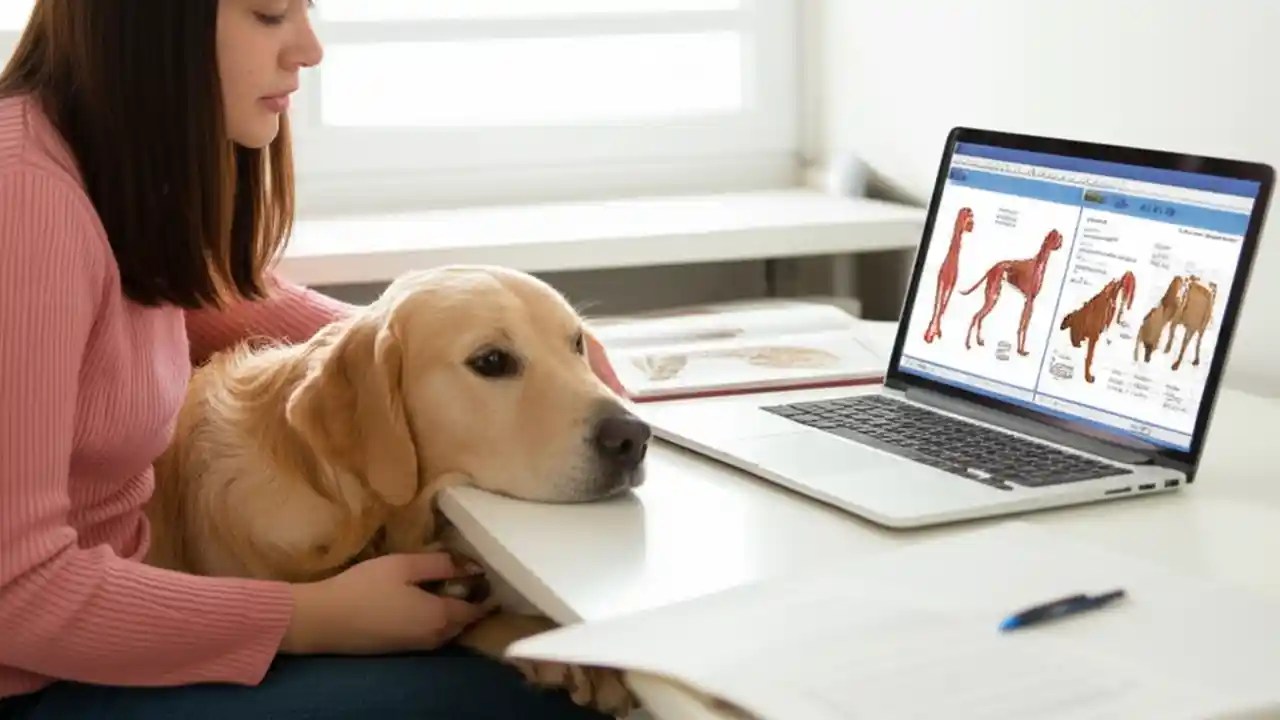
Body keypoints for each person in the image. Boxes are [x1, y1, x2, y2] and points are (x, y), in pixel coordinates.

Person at [0, 1, 619, 718]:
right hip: (36, 682)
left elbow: (204, 297)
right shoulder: (24, 201)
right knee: (557, 698)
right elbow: (13, 591)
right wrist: (306, 617)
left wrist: (421, 346)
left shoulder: (95, 161)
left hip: (98, 640)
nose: (309, 48)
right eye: (268, 14)